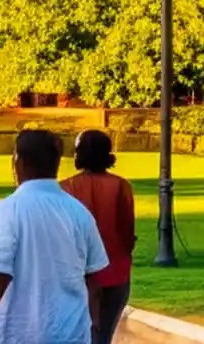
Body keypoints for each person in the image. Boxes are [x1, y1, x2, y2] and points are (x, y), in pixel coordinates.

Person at [0, 131, 109, 344]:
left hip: (20, 334)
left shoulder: (9, 209)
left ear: (19, 162)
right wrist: (93, 322)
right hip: (72, 333)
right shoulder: (79, 212)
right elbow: (95, 276)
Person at [62, 130, 135, 344]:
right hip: (116, 270)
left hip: (78, 273)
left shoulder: (67, 187)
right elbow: (127, 232)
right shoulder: (122, 186)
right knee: (104, 336)